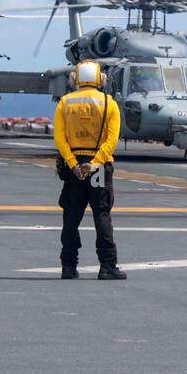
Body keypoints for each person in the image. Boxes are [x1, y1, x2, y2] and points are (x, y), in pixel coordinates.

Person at [53, 60, 125, 280]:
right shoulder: (109, 104)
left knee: (71, 217)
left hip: (75, 168)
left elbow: (60, 138)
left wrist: (74, 164)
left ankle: (68, 266)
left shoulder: (65, 103)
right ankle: (107, 266)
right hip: (98, 168)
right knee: (101, 215)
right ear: (100, 79)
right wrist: (94, 163)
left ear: (75, 79)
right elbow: (111, 140)